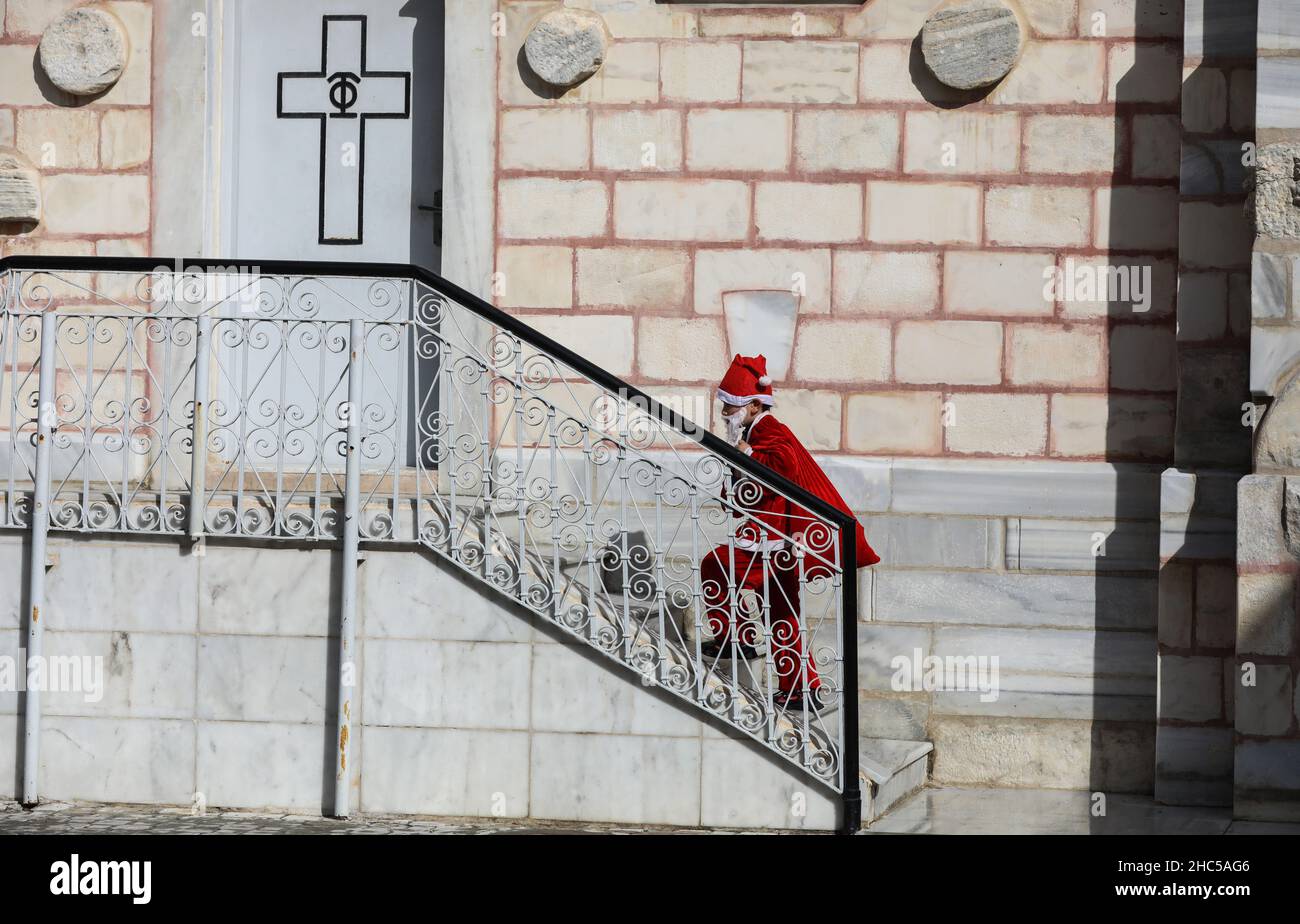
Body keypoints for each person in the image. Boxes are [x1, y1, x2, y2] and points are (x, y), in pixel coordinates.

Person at [700, 353, 879, 712]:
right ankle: (801, 687)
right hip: (776, 538)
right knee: (782, 613)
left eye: (729, 409)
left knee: (715, 567)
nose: (724, 417)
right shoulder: (755, 431)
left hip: (774, 540)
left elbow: (784, 463)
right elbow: (757, 485)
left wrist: (746, 455)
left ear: (752, 405)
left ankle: (735, 637)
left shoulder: (767, 429)